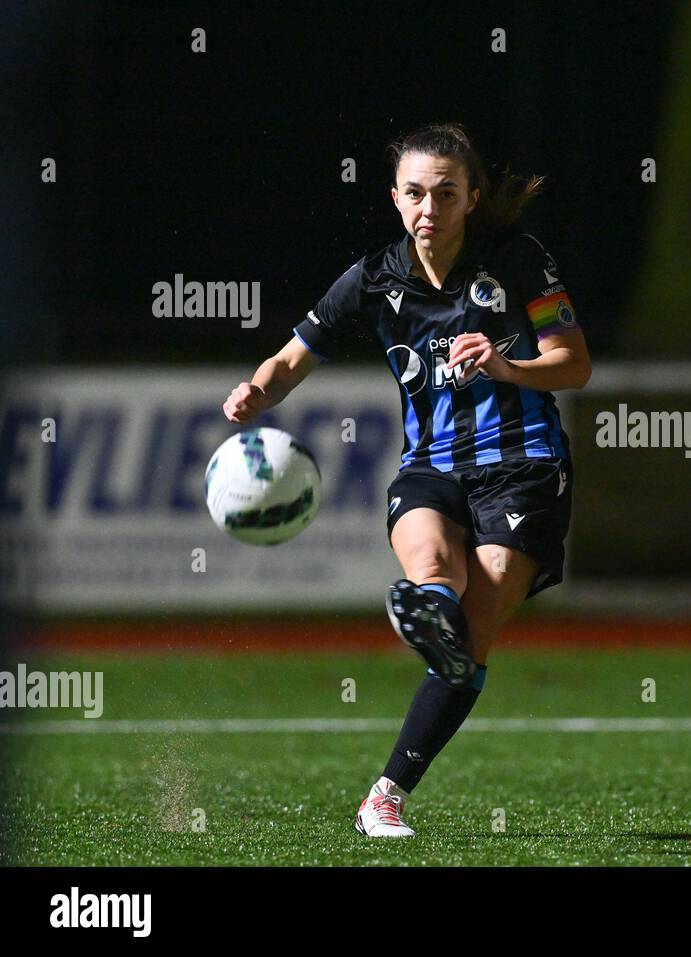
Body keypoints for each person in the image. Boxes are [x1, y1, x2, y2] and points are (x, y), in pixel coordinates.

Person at [222, 123, 591, 837]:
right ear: (396, 199)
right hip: (430, 468)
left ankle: (384, 792)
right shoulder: (373, 277)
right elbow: (293, 357)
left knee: (473, 625)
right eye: (417, 193)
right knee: (432, 566)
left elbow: (573, 363)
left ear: (472, 198)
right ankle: (424, 606)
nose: (430, 208)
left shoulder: (518, 259)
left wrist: (507, 365)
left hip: (525, 469)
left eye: (446, 194)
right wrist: (257, 392)